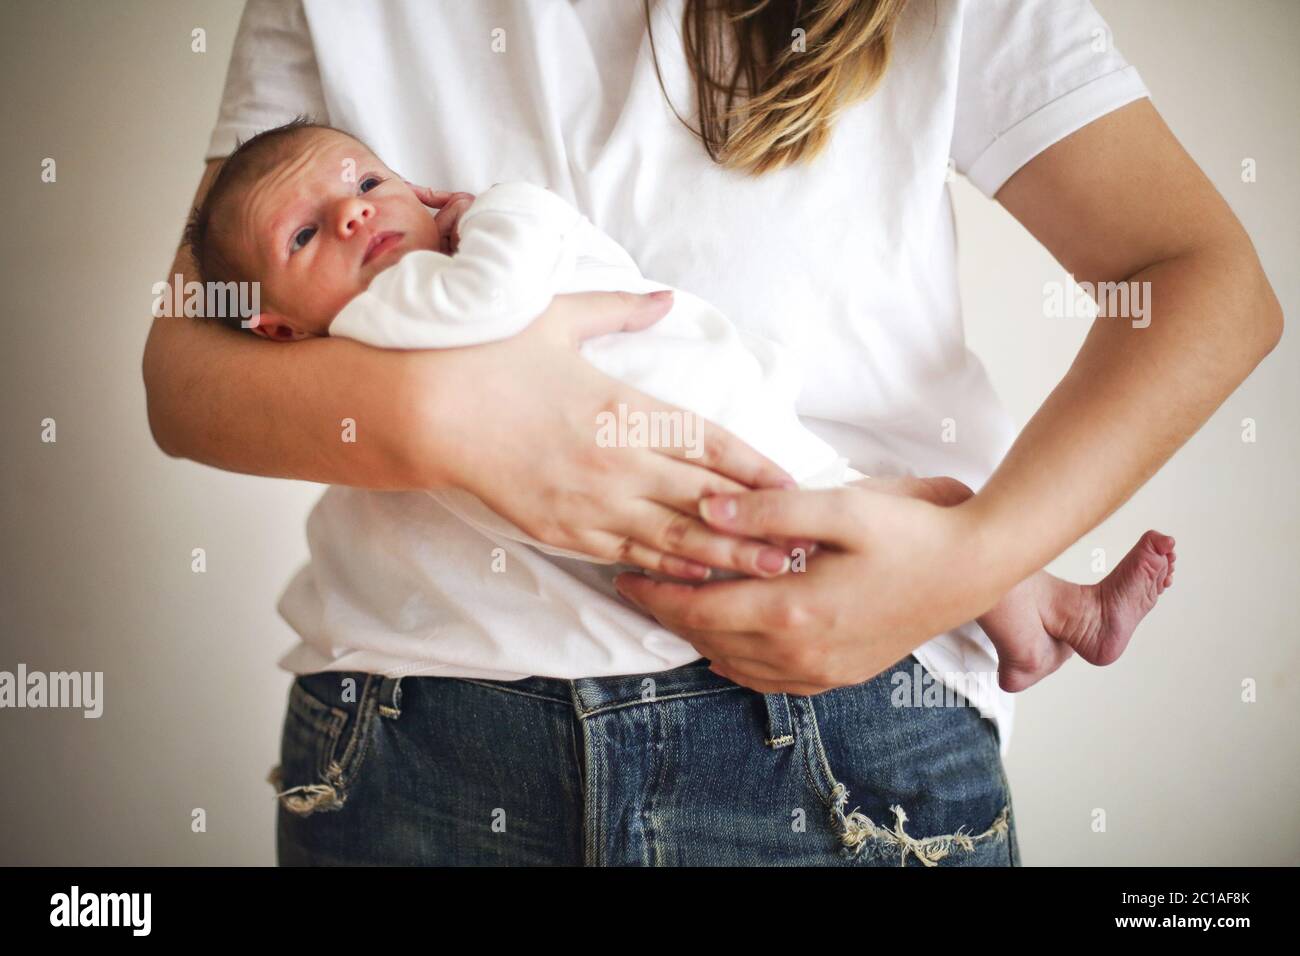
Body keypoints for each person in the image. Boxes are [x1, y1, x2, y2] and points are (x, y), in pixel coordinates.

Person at [145, 0, 1281, 866]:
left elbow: (1208, 283)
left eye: (368, 179)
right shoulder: (397, 272)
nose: (356, 209)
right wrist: (450, 420)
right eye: (311, 229)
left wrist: (955, 569)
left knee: (904, 506)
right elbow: (189, 370)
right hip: (424, 716)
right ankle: (1033, 601)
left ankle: (1042, 601)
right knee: (882, 505)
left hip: (841, 693)